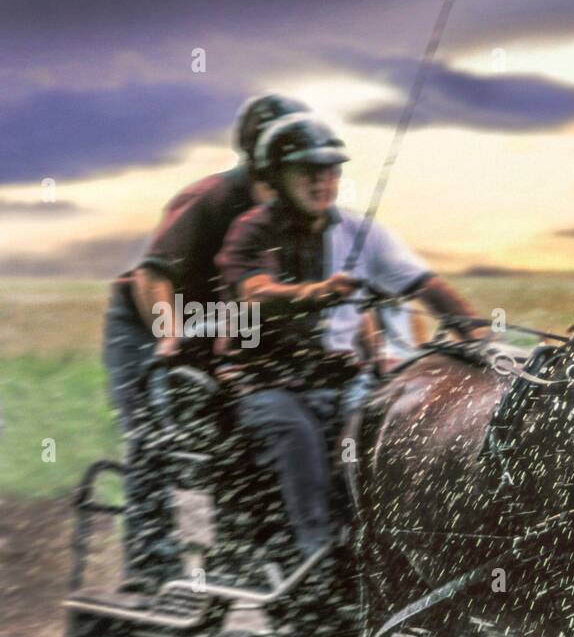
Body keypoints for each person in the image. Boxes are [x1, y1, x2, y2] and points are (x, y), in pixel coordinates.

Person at [215, 112, 485, 563]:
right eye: (308, 171)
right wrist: (315, 293)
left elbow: (425, 286)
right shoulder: (252, 231)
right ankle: (316, 562)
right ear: (276, 177)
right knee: (296, 436)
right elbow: (254, 293)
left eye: (330, 170)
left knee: (400, 427)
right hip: (266, 384)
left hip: (341, 380)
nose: (322, 181)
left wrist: (477, 332)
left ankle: (401, 553)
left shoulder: (361, 232)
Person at [101, 93, 308, 590]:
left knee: (244, 431)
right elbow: (153, 276)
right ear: (260, 155)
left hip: (223, 329)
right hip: (148, 327)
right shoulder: (210, 198)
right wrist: (169, 338)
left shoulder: (294, 210)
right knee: (161, 438)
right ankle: (149, 573)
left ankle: (243, 554)